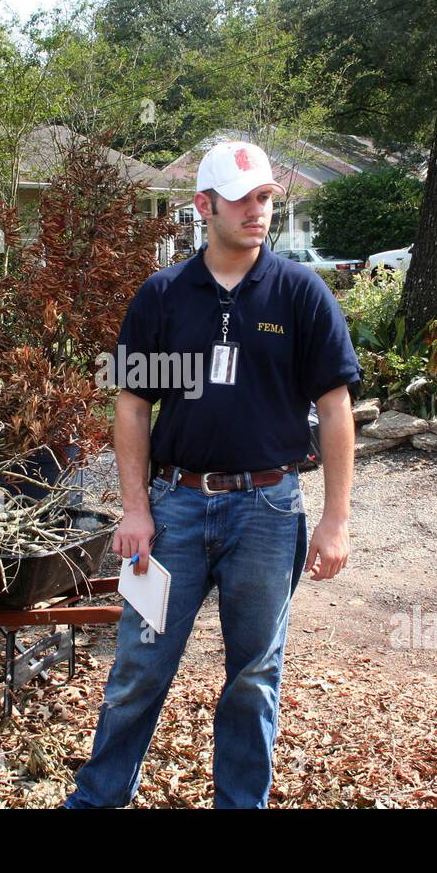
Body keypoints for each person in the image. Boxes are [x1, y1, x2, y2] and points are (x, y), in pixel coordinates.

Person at [65, 141, 360, 808]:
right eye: (241, 199)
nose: (257, 211)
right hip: (173, 508)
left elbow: (336, 408)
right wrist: (135, 507)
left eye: (265, 198)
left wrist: (337, 519)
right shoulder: (164, 295)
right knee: (139, 666)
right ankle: (98, 799)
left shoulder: (299, 293)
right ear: (204, 206)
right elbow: (133, 404)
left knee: (255, 676)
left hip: (268, 510)